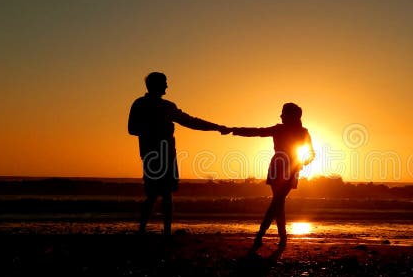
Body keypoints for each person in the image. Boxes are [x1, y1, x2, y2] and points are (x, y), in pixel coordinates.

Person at [128, 72, 229, 236]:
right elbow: (132, 129)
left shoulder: (164, 105)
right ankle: (148, 230)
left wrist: (216, 127)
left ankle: (158, 231)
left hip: (166, 155)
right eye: (165, 83)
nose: (167, 86)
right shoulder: (144, 104)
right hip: (153, 155)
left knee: (163, 194)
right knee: (155, 194)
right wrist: (157, 128)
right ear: (157, 85)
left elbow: (191, 121)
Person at [228, 102, 315, 257]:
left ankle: (264, 236)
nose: (281, 116)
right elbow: (257, 132)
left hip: (287, 168)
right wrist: (235, 130)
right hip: (280, 167)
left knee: (278, 201)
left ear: (292, 116)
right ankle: (277, 238)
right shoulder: (287, 130)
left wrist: (303, 162)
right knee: (278, 202)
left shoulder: (301, 132)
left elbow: (311, 153)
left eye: (283, 113)